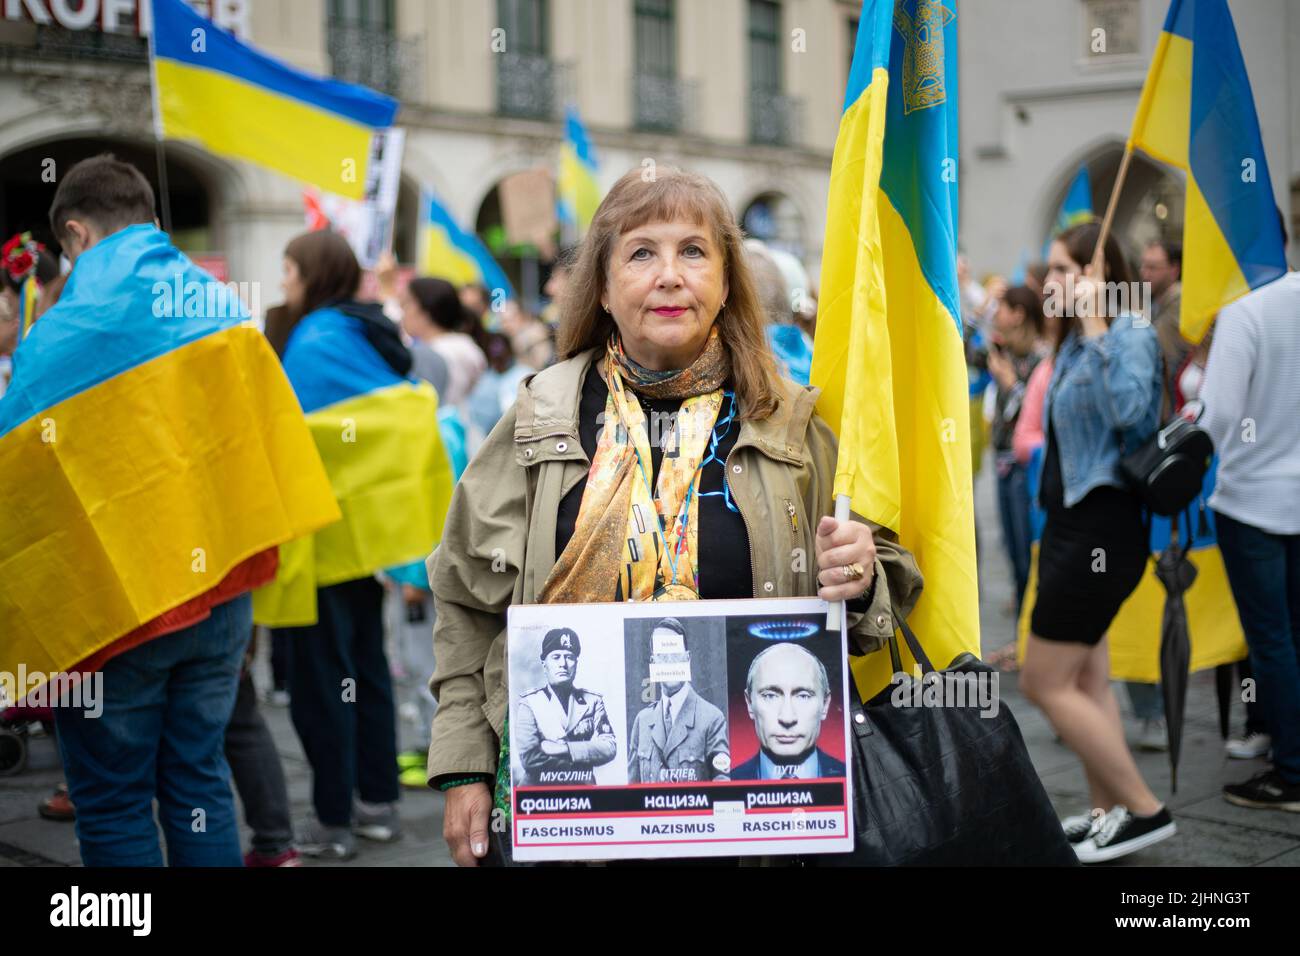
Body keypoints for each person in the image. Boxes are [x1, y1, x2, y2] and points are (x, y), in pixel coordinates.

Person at [425, 166, 922, 867]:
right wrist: (466, 768)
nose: (668, 276)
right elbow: (465, 601)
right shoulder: (541, 416)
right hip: (569, 824)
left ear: (725, 281)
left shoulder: (791, 423)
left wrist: (862, 574)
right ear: (601, 287)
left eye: (693, 251)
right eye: (640, 253)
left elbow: (888, 586)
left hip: (752, 832)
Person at [9, 154, 306, 866]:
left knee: (112, 800)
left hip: (120, 607)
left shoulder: (56, 335)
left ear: (76, 234)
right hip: (223, 594)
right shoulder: (224, 313)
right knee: (199, 779)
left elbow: (27, 488)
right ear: (147, 217)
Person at [1019, 220, 1175, 863]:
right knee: (1085, 681)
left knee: (1041, 680)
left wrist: (1097, 326)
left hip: (1100, 528)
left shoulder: (1126, 333)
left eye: (1062, 270)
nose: (1050, 282)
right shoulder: (1077, 347)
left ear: (1097, 273)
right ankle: (1109, 812)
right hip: (1066, 523)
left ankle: (1145, 809)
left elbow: (1133, 418)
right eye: (1051, 270)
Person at [273, 230, 414, 859]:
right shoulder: (364, 332)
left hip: (319, 541)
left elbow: (288, 432)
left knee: (321, 681)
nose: (283, 282)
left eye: (288, 270)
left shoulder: (316, 338)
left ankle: (333, 818)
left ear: (311, 273)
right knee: (367, 670)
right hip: (364, 539)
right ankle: (378, 805)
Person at [1198, 241, 1300, 812]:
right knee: (1293, 634)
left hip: (1253, 502)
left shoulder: (1245, 308)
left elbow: (1217, 416)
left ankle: (1290, 772)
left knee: (1271, 639)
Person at [987, 286, 1047, 614]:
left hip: (1025, 466)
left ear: (1019, 314)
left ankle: (1025, 637)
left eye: (1002, 307)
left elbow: (1037, 410)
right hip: (1002, 463)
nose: (997, 313)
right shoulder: (1003, 351)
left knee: (1026, 554)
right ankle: (1019, 636)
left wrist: (1010, 383)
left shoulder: (1040, 358)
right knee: (1012, 551)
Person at [626, 617, 729, 783]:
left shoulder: (712, 719)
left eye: (675, 655)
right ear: (653, 663)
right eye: (662, 656)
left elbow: (722, 785)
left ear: (687, 659)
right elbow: (631, 792)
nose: (669, 663)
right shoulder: (642, 722)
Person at [514, 628, 616, 786]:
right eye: (556, 657)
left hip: (584, 797)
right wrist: (577, 770)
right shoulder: (530, 703)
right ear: (544, 664)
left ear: (576, 663)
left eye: (569, 657)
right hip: (538, 796)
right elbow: (530, 758)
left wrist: (564, 749)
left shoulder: (592, 701)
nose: (563, 664)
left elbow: (608, 748)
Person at [732, 642, 844, 780]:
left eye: (803, 696)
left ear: (825, 704)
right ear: (749, 703)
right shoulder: (723, 787)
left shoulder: (855, 780)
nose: (787, 718)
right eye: (770, 696)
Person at [400, 277, 486, 408]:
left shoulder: (432, 354)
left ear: (425, 312)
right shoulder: (466, 345)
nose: (403, 312)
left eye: (406, 304)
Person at [1139, 238, 1186, 394]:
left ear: (1174, 269)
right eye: (1143, 265)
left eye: (1152, 267)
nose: (1144, 273)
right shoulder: (1157, 303)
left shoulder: (1179, 300)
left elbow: (1155, 352)